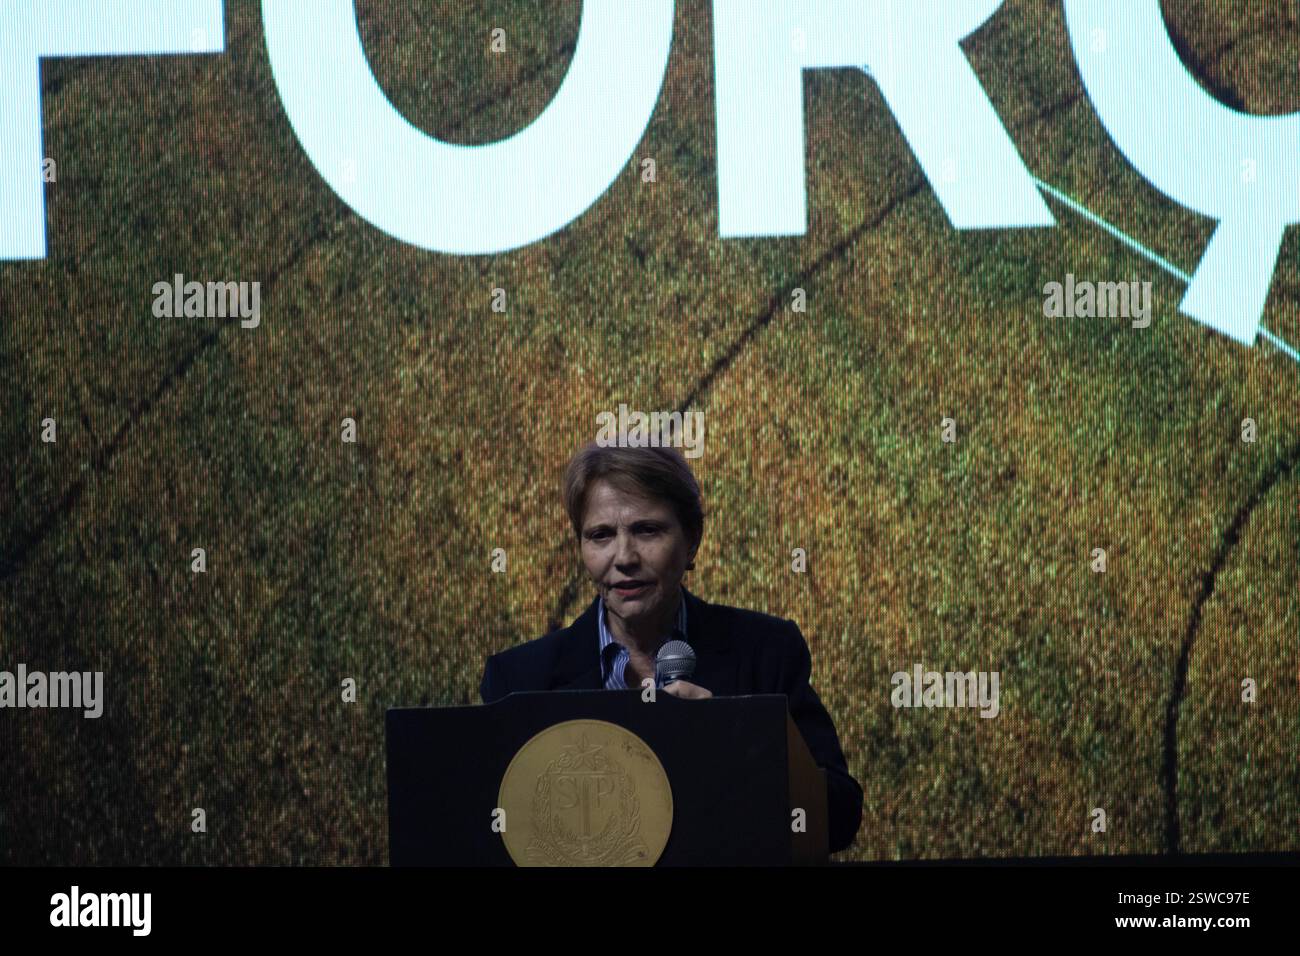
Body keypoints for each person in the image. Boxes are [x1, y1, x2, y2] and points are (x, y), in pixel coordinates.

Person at [479, 442, 863, 853]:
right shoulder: (519, 680)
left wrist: (738, 745)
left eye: (648, 530)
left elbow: (838, 818)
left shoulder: (766, 651)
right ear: (581, 547)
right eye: (601, 535)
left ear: (691, 540)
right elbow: (489, 836)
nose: (624, 556)